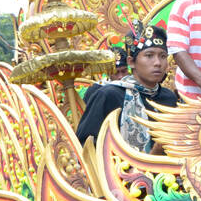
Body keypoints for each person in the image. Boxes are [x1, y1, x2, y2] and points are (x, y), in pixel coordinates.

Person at [76, 23, 178, 152]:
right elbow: (87, 147)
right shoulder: (109, 95)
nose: (158, 63)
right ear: (131, 62)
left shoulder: (169, 98)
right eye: (149, 55)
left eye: (163, 56)